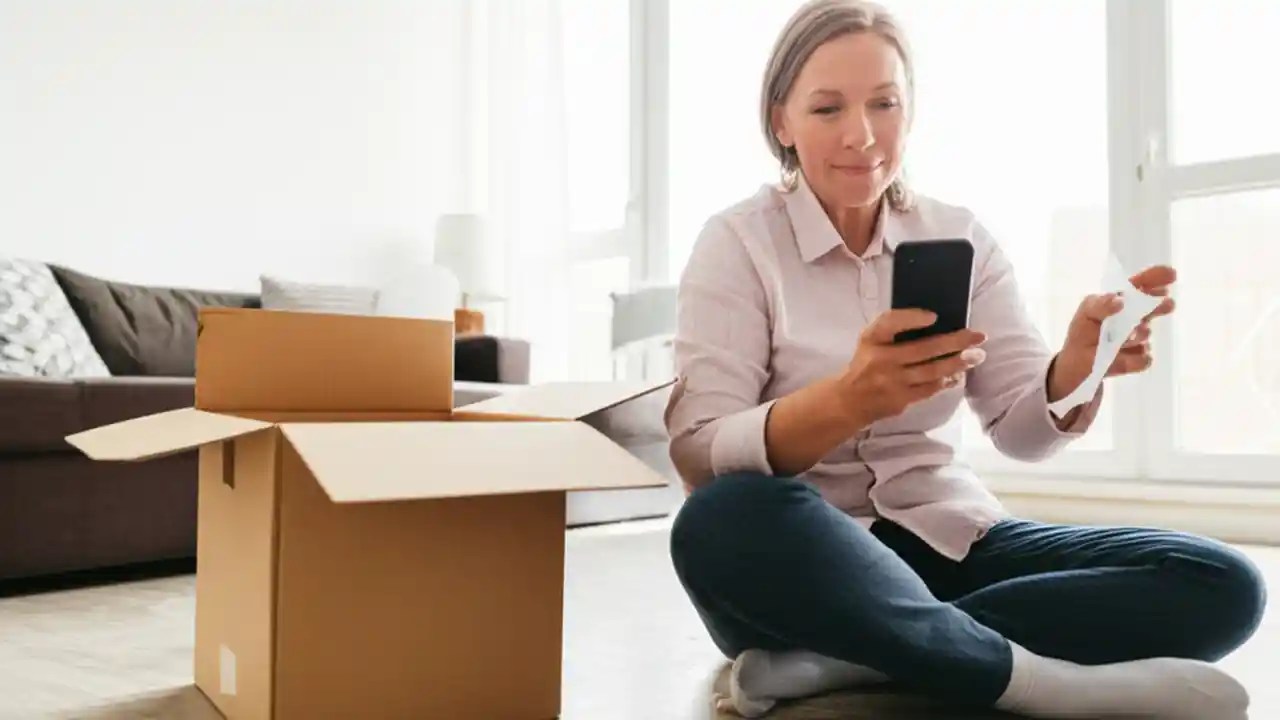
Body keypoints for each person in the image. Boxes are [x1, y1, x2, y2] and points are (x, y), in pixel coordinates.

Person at [663, 1, 1267, 718]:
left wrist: (1078, 363)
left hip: (948, 537)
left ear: (909, 110)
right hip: (811, 562)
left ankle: (850, 661)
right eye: (828, 109)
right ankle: (1044, 683)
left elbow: (1021, 430)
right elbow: (701, 454)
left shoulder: (959, 236)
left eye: (884, 103)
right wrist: (848, 400)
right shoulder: (737, 244)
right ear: (781, 123)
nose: (862, 135)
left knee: (1221, 580)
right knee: (721, 516)